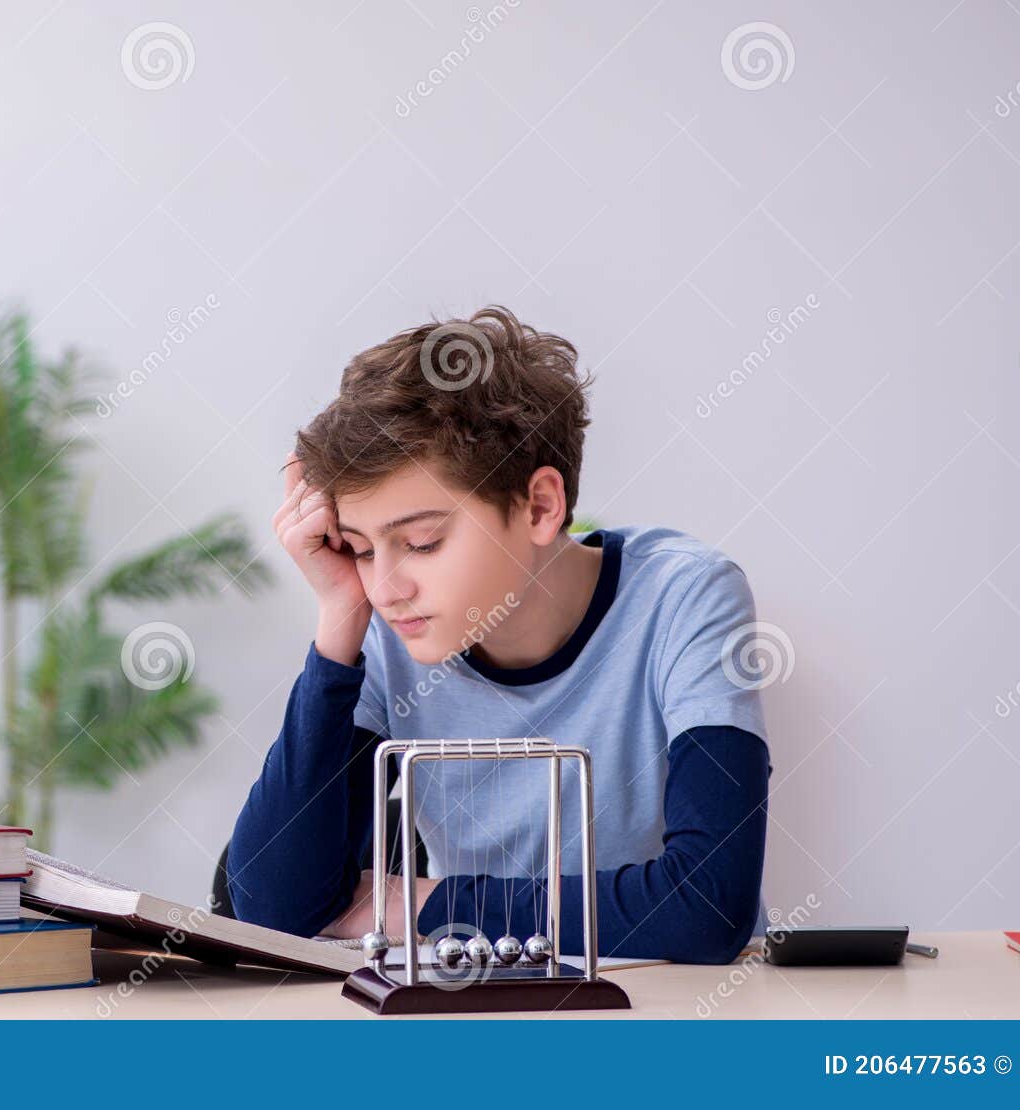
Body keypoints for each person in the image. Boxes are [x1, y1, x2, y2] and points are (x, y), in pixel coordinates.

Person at [224, 305, 771, 965]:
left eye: (422, 542)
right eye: (362, 549)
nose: (385, 587)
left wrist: (421, 903)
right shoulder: (387, 627)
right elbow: (274, 908)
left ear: (539, 506)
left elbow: (707, 908)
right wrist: (339, 619)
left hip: (678, 1005)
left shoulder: (684, 596)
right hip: (478, 1001)